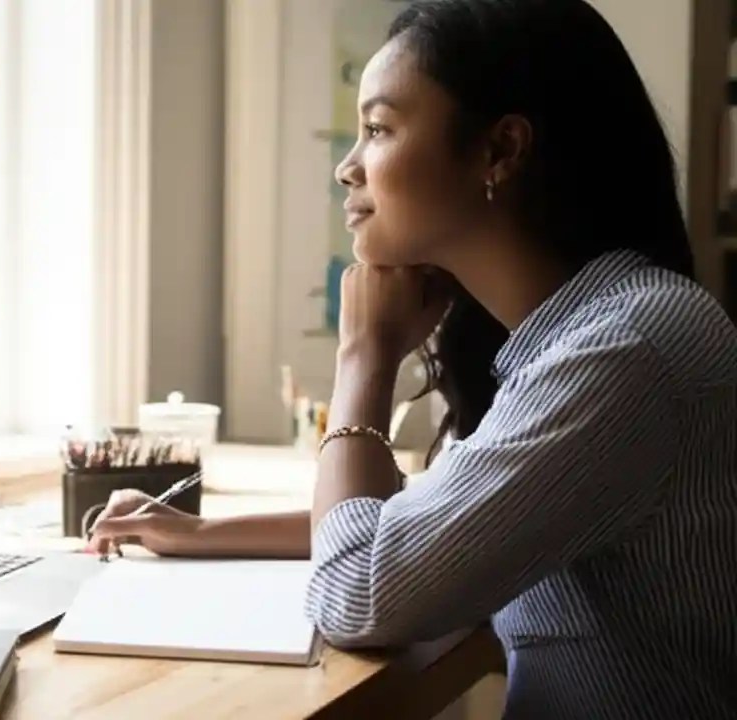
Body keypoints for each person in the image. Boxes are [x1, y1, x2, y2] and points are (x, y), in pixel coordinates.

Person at [85, 0, 737, 717]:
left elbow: (358, 594)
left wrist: (364, 358)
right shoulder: (586, 331)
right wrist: (196, 533)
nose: (347, 167)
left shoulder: (625, 350)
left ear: (499, 152)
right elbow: (422, 524)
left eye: (377, 129)